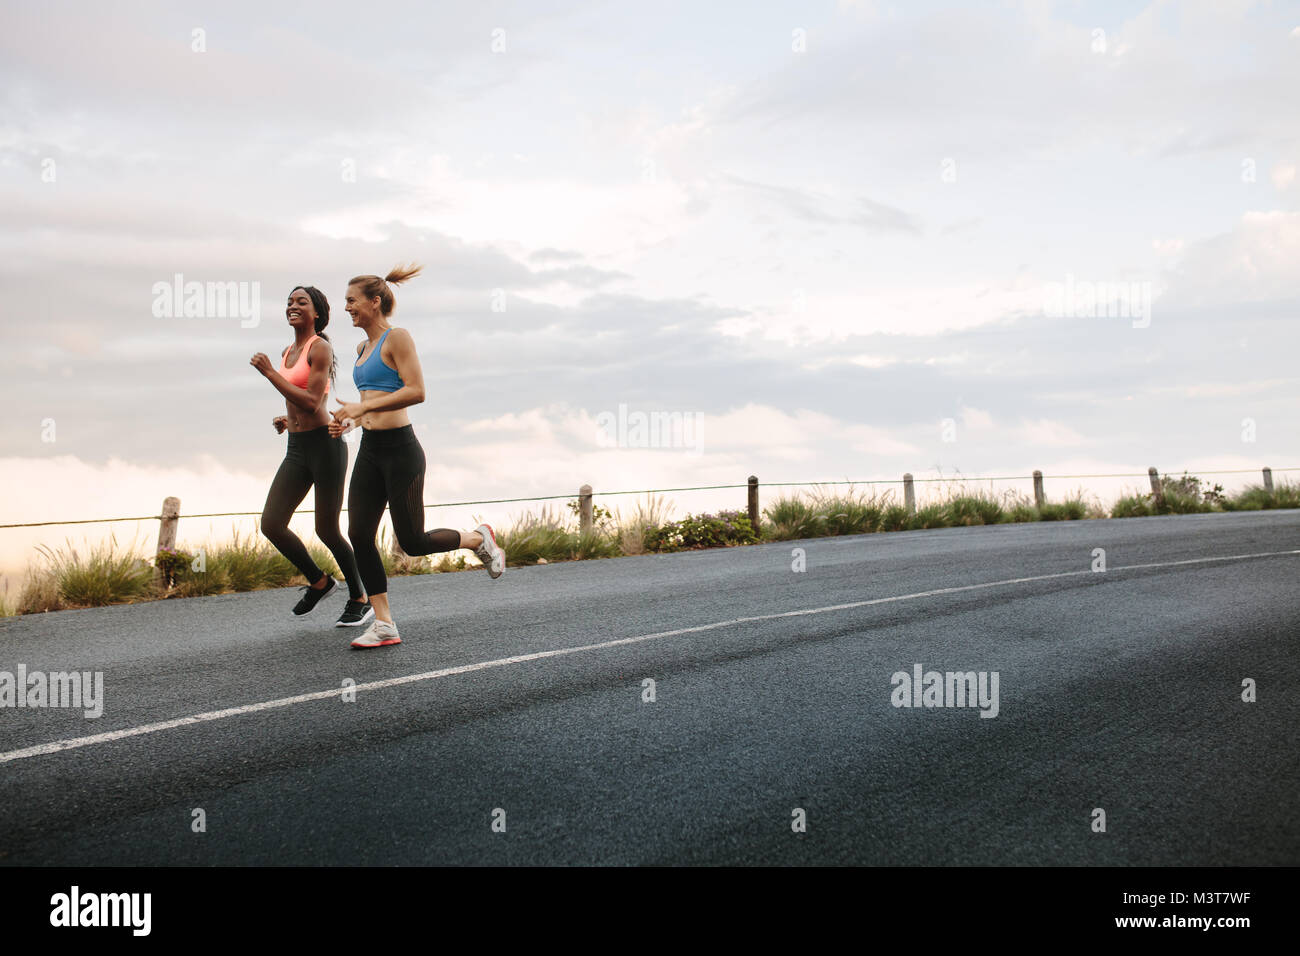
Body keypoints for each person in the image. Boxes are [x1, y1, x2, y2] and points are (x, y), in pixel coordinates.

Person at [329, 264, 504, 649]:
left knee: (412, 542)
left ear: (375, 302)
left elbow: (417, 390)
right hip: (370, 451)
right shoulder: (361, 349)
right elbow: (372, 404)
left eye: (351, 301)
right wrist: (353, 421)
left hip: (401, 452)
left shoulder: (398, 338)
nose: (347, 308)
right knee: (359, 533)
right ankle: (385, 623)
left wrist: (361, 411)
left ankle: (477, 538)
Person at [250, 286, 372, 627]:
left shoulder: (321, 348)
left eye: (301, 302)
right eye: (289, 301)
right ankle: (320, 581)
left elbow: (312, 402)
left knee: (327, 529)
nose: (293, 306)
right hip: (297, 447)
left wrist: (269, 373)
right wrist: (287, 420)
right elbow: (298, 405)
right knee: (272, 524)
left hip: (325, 446)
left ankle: (360, 596)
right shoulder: (290, 350)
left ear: (316, 312)